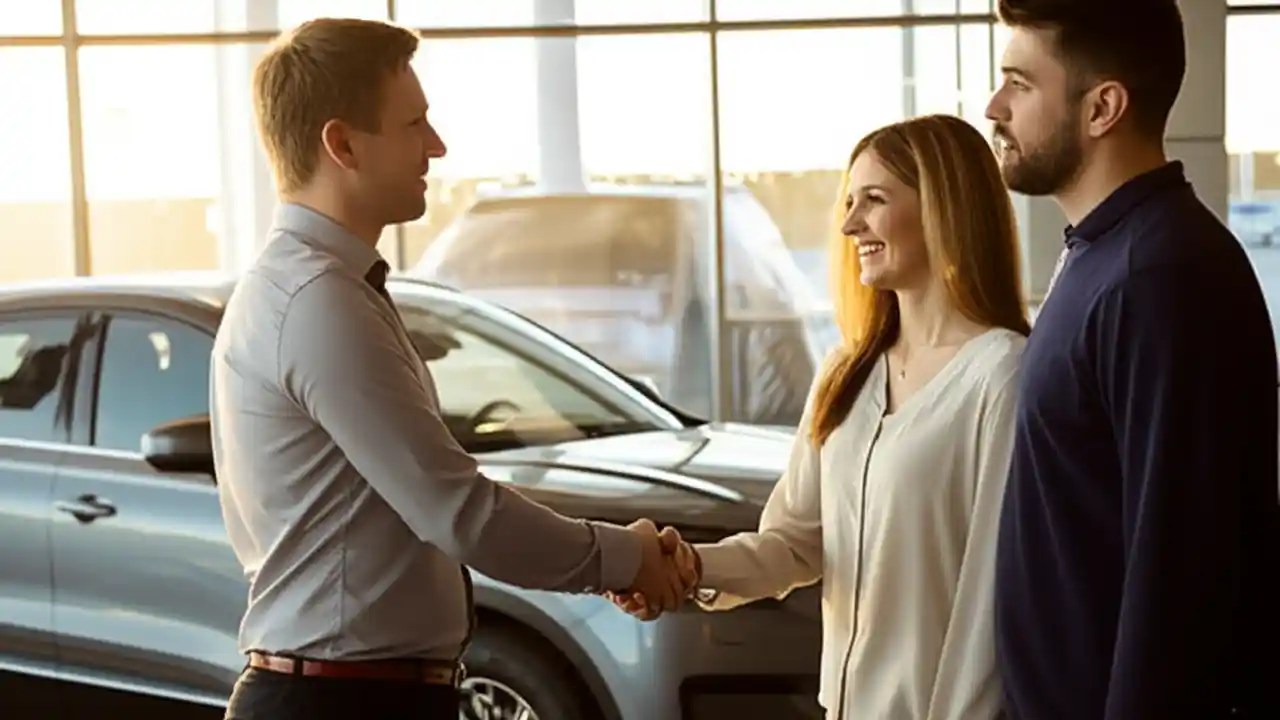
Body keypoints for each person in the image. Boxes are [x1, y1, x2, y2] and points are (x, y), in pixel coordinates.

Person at [210, 19, 686, 720]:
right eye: (415, 124)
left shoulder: (309, 291)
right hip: (337, 704)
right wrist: (624, 557)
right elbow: (459, 513)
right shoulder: (318, 304)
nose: (436, 146)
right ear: (341, 144)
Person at [611, 114, 1030, 720]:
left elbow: (991, 596)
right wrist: (694, 567)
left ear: (945, 208)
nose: (848, 223)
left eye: (875, 200)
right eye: (850, 200)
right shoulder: (846, 372)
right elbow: (794, 543)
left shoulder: (1003, 373)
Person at [986, 1, 1280, 718]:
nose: (994, 107)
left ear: (1103, 107)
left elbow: (1179, 582)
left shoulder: (1161, 276)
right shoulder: (1102, 254)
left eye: (1020, 84)